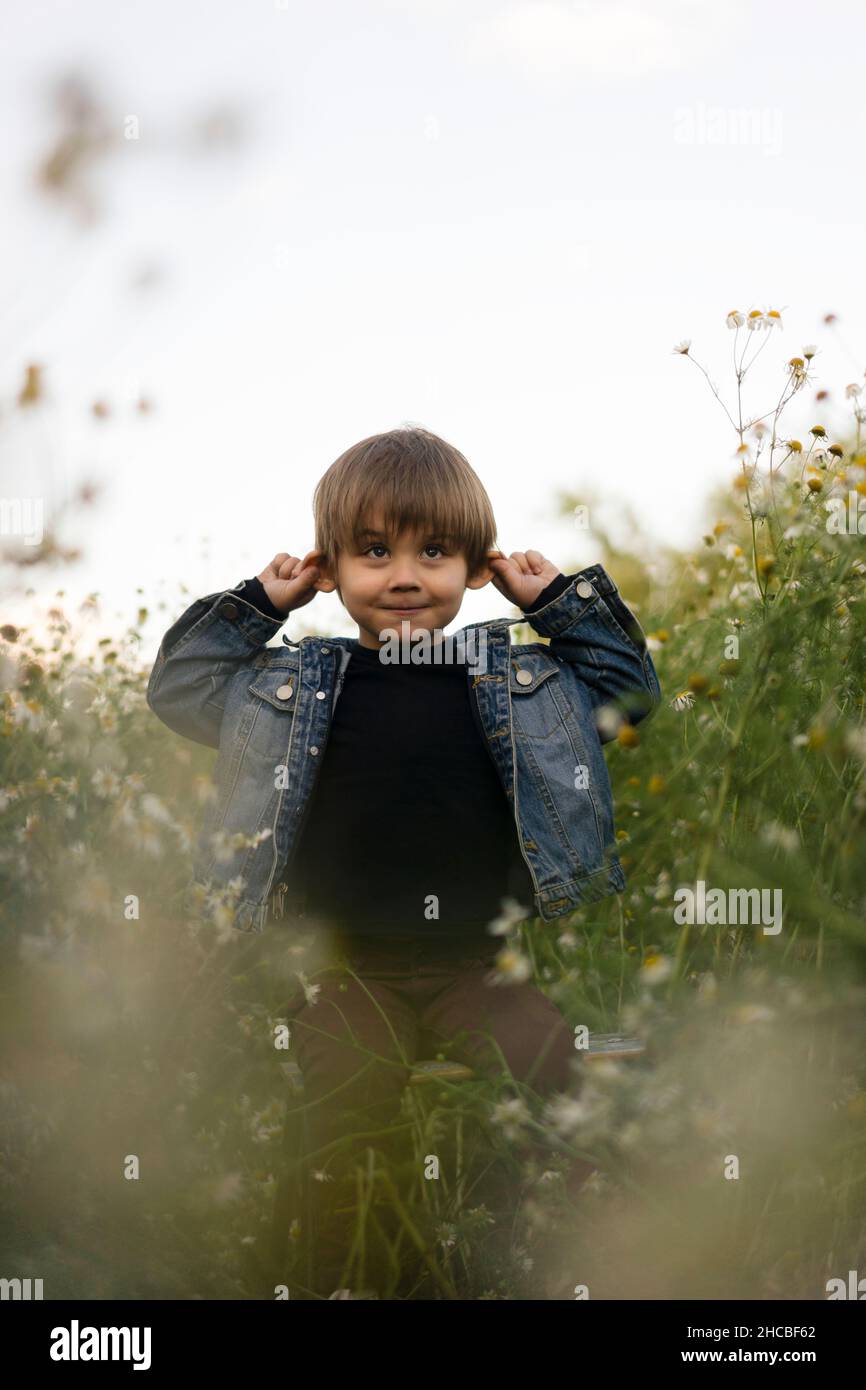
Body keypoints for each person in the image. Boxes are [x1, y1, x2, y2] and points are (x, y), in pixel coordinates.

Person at [146, 425, 661, 1296]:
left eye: (436, 551)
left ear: (474, 568)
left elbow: (629, 691)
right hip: (345, 974)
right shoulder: (295, 687)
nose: (406, 576)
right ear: (332, 569)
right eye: (375, 552)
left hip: (477, 970)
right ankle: (348, 1275)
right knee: (343, 1114)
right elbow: (180, 688)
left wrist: (554, 603)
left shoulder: (512, 680)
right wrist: (261, 603)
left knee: (560, 1071)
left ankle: (565, 1265)